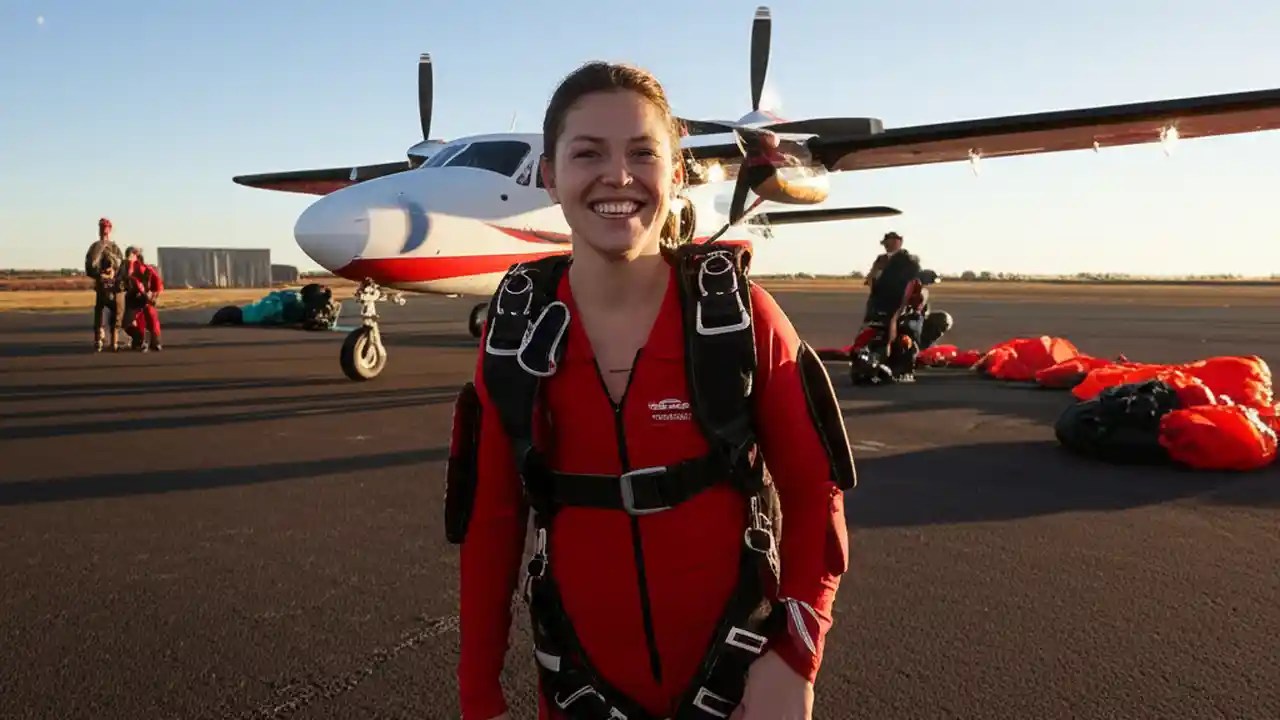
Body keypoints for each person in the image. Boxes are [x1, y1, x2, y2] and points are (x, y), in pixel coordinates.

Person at [452, 62, 857, 720]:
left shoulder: (744, 320)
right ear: (549, 176)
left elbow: (816, 493)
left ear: (677, 173)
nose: (618, 176)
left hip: (741, 691)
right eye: (587, 153)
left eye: (643, 153)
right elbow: (491, 524)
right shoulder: (513, 339)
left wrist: (795, 657)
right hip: (578, 693)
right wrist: (478, 698)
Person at [84, 217, 125, 351]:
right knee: (99, 311)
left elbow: (121, 265)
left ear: (110, 230)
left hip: (114, 285)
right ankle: (98, 337)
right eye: (102, 228)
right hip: (102, 285)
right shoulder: (95, 247)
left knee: (117, 311)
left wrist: (114, 272)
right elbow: (89, 265)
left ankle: (114, 339)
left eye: (106, 228)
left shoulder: (115, 247)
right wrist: (99, 274)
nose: (104, 230)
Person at [122, 246, 164, 351]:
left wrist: (154, 295)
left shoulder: (147, 269)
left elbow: (158, 284)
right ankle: (138, 338)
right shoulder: (124, 269)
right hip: (131, 301)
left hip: (145, 300)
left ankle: (155, 340)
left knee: (151, 314)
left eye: (131, 255)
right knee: (126, 321)